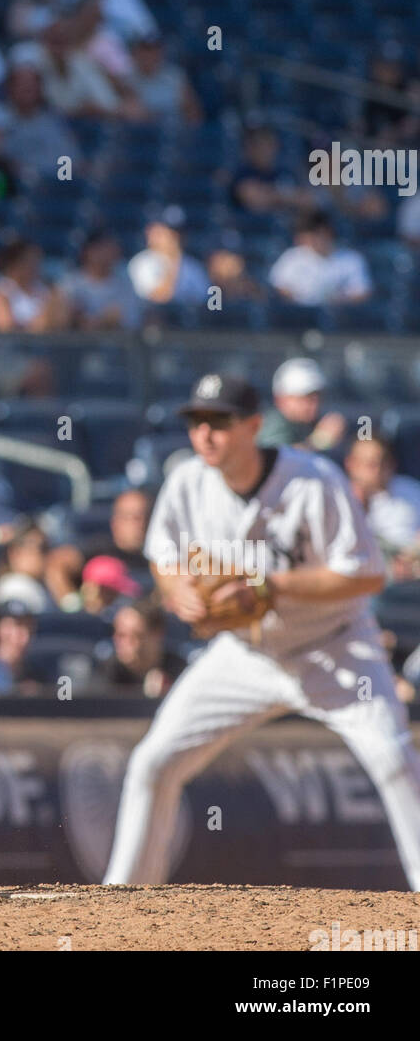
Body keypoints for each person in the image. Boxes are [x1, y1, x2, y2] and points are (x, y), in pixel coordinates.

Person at [103, 373, 420, 889]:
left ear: (254, 426)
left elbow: (366, 574)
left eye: (219, 423)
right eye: (197, 422)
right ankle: (120, 900)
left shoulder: (313, 481)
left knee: (392, 759)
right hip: (246, 655)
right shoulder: (188, 480)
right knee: (154, 762)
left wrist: (269, 587)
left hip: (335, 646)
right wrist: (177, 588)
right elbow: (163, 555)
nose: (204, 434)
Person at [344, 436, 420, 580]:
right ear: (351, 464)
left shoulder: (412, 490)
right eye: (369, 464)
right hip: (362, 580)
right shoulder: (338, 498)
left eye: (382, 462)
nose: (377, 469)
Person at [268, 209, 373, 306]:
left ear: (327, 232)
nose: (310, 241)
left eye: (314, 236)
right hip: (300, 318)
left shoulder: (351, 259)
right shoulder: (292, 257)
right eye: (305, 237)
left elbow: (362, 293)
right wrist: (299, 301)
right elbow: (279, 286)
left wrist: (339, 301)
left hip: (341, 319)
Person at [86, 598, 186, 698]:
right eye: (120, 635)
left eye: (136, 636)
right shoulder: (105, 674)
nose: (124, 642)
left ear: (157, 634)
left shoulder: (180, 672)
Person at [258, 357, 346, 454]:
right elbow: (276, 458)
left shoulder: (307, 424)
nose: (314, 403)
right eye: (306, 397)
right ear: (282, 399)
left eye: (318, 396)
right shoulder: (272, 425)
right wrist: (320, 440)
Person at [59, 229, 141, 331]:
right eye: (102, 248)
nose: (109, 253)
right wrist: (103, 320)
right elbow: (65, 320)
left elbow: (131, 322)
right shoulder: (71, 283)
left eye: (111, 248)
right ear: (88, 251)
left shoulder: (126, 285)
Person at [127, 206, 209, 307]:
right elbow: (159, 299)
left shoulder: (194, 266)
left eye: (177, 233)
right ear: (151, 232)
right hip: (155, 321)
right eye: (167, 232)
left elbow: (205, 305)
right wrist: (174, 259)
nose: (173, 238)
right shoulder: (141, 263)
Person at [0, 238, 70, 334]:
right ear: (14, 263)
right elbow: (4, 328)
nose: (35, 265)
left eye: (37, 260)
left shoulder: (48, 290)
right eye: (29, 260)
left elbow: (62, 322)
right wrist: (44, 319)